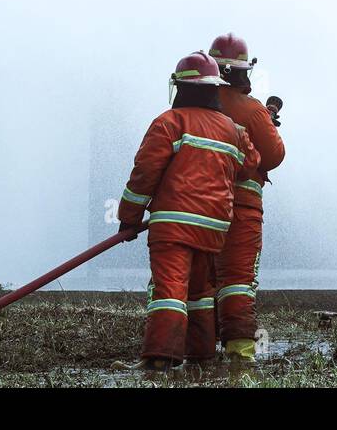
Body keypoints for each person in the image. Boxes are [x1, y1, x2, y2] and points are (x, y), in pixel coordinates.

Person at [115, 51, 259, 372]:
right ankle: (201, 354)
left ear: (180, 87)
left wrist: (129, 216)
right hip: (213, 230)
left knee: (169, 290)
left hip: (173, 226)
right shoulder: (233, 130)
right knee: (200, 293)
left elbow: (144, 175)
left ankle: (159, 358)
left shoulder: (169, 122)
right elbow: (250, 166)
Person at [210, 32, 285, 370]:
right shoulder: (252, 111)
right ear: (243, 71)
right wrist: (267, 124)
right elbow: (273, 156)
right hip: (241, 208)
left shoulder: (192, 109)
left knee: (203, 279)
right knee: (238, 278)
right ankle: (239, 353)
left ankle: (196, 346)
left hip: (198, 209)